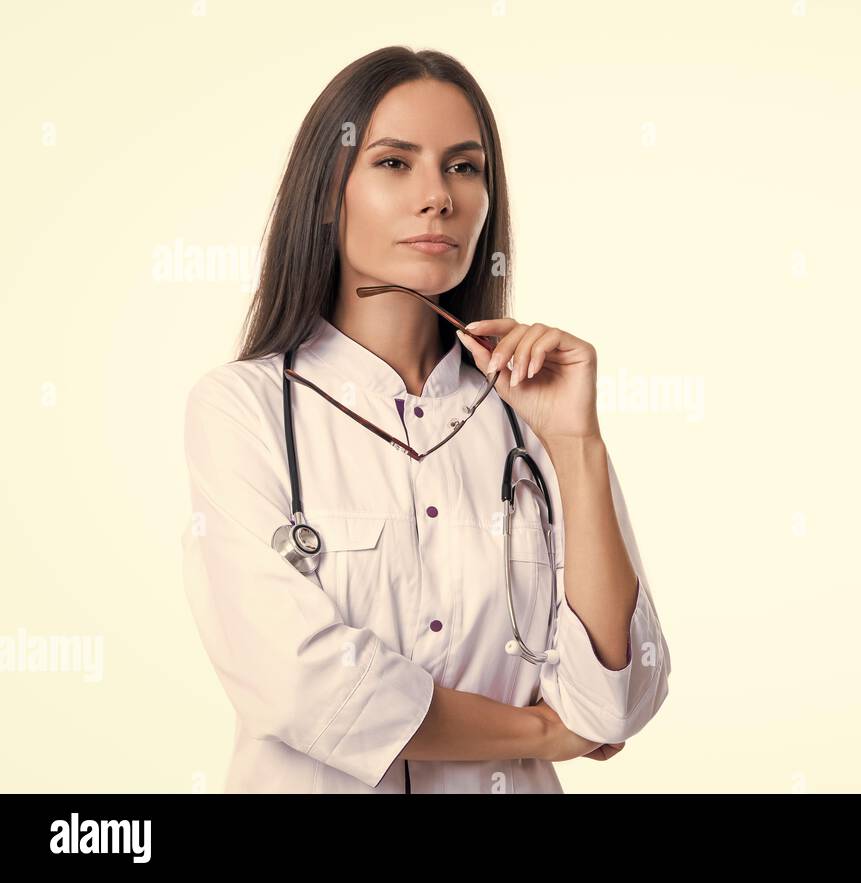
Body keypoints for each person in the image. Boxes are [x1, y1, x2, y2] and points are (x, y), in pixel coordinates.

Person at [180, 47, 671, 793]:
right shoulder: (241, 410)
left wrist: (577, 445)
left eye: (463, 167)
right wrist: (543, 728)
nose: (436, 196)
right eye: (394, 163)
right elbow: (300, 685)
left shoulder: (534, 420)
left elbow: (616, 700)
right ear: (325, 194)